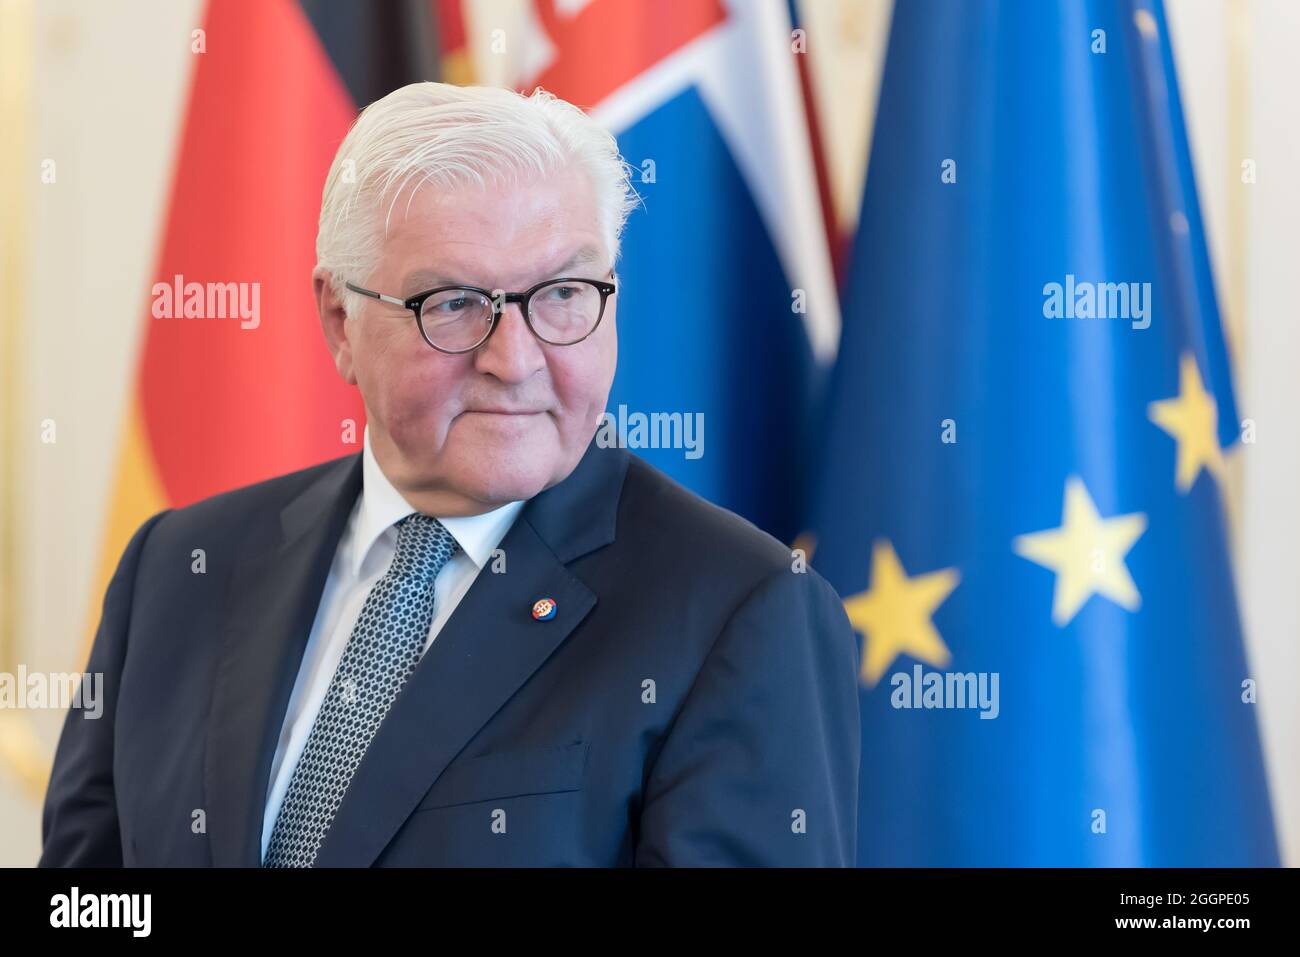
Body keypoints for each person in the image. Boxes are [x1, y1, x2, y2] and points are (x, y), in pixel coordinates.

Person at [39, 82, 860, 867]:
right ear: (340, 321)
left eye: (564, 293)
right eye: (456, 302)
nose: (516, 360)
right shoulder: (179, 566)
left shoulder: (740, 614)